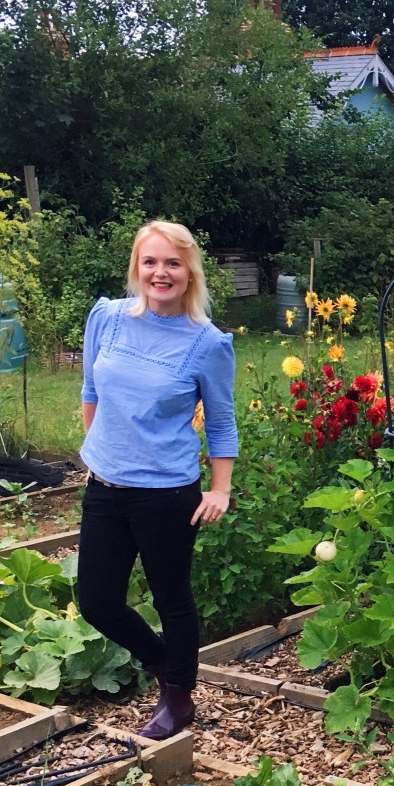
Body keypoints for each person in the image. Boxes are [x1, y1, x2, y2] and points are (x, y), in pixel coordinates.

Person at [77, 221, 238, 739]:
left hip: (166, 493)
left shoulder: (207, 343)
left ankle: (178, 697)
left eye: (172, 263)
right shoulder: (107, 319)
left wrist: (220, 489)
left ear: (190, 272)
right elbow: (91, 390)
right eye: (150, 262)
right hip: (105, 487)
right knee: (96, 600)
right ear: (137, 267)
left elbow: (221, 422)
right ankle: (165, 662)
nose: (160, 273)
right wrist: (97, 451)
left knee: (172, 598)